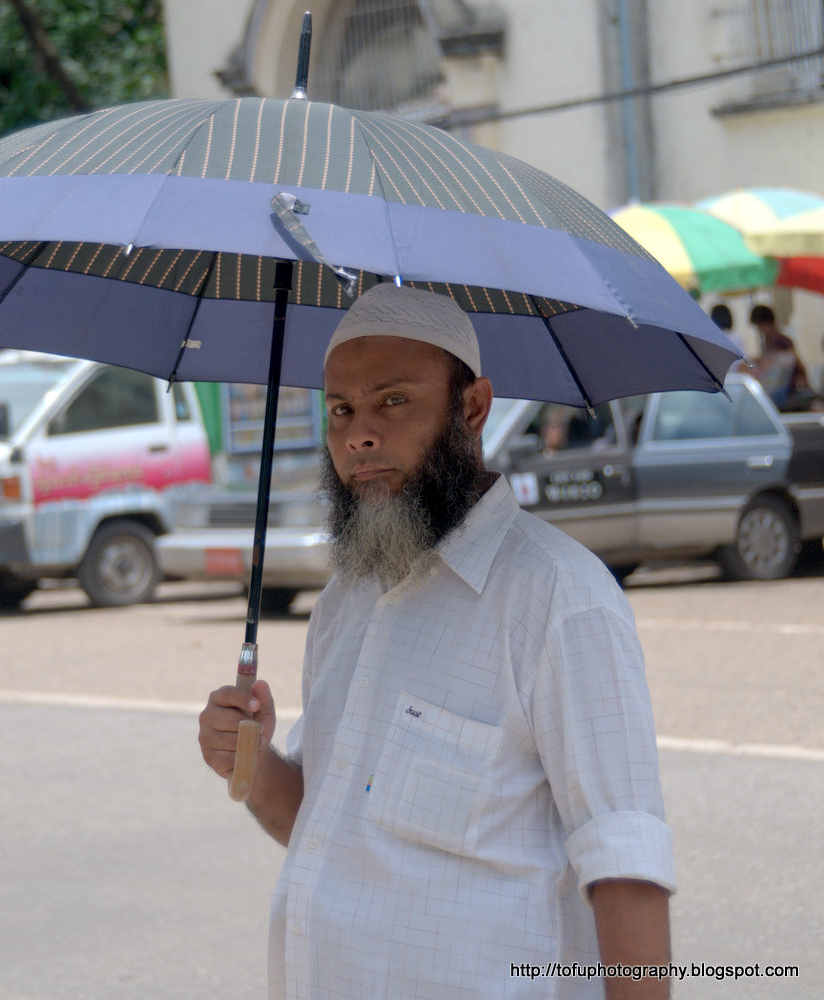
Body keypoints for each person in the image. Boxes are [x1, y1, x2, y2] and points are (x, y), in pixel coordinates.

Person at [199, 283, 676, 1000]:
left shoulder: (559, 599)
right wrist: (255, 763)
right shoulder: (343, 603)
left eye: (392, 401)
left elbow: (624, 864)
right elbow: (330, 826)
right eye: (341, 410)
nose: (359, 435)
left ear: (472, 407)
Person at [748, 304, 812, 409]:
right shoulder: (767, 343)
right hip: (776, 392)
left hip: (789, 391)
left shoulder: (783, 341)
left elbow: (798, 364)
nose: (759, 331)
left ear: (768, 323)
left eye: (760, 326)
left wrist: (808, 385)